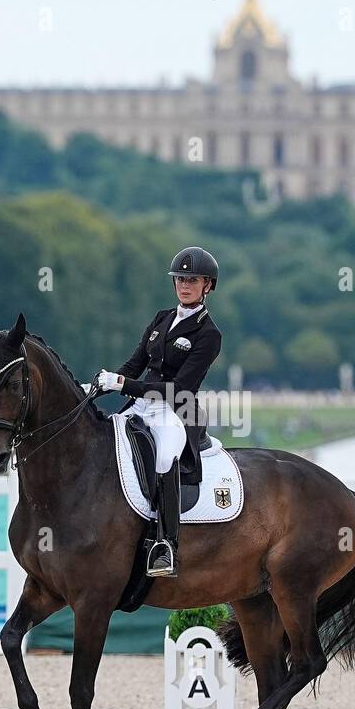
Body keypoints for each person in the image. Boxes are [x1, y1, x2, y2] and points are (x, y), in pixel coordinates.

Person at [95, 246, 223, 577]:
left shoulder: (209, 335)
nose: (184, 285)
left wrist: (123, 384)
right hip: (142, 403)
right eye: (180, 279)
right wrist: (101, 384)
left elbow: (178, 388)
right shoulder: (162, 318)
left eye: (191, 280)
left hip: (177, 410)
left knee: (165, 456)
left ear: (207, 285)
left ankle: (166, 545)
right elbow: (135, 364)